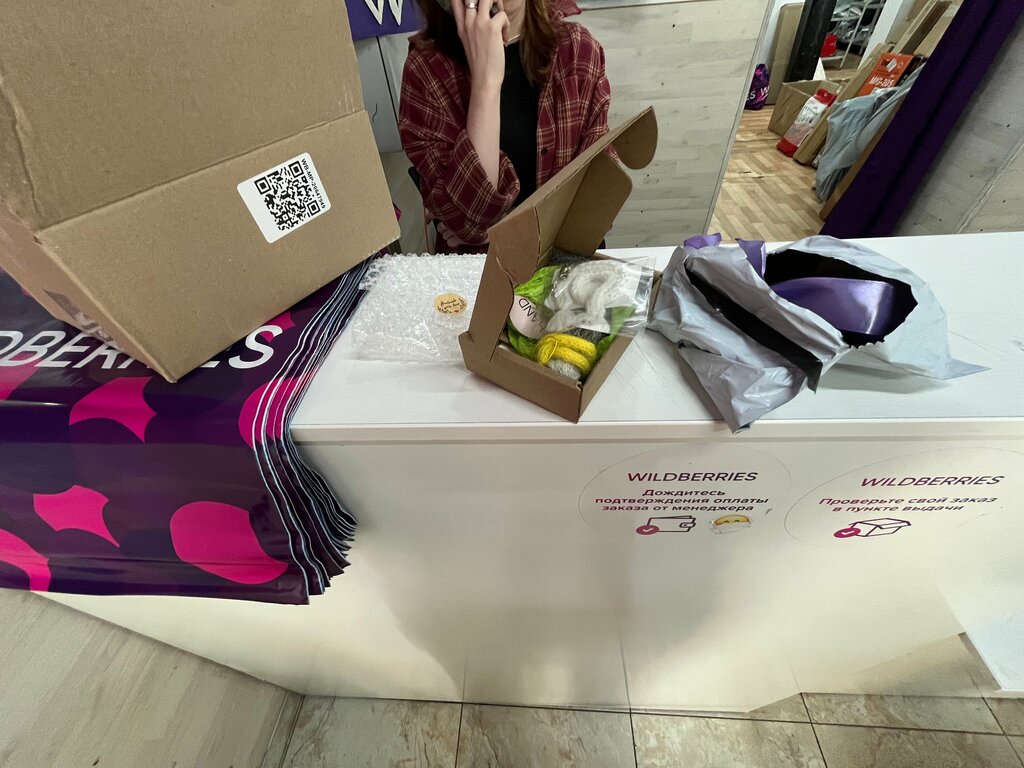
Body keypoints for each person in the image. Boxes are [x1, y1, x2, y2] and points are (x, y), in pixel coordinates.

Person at [399, 0, 611, 252]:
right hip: (480, 268)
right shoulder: (425, 70)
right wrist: (485, 85)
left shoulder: (578, 50)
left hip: (570, 259)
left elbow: (601, 196)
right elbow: (470, 219)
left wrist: (511, 228)